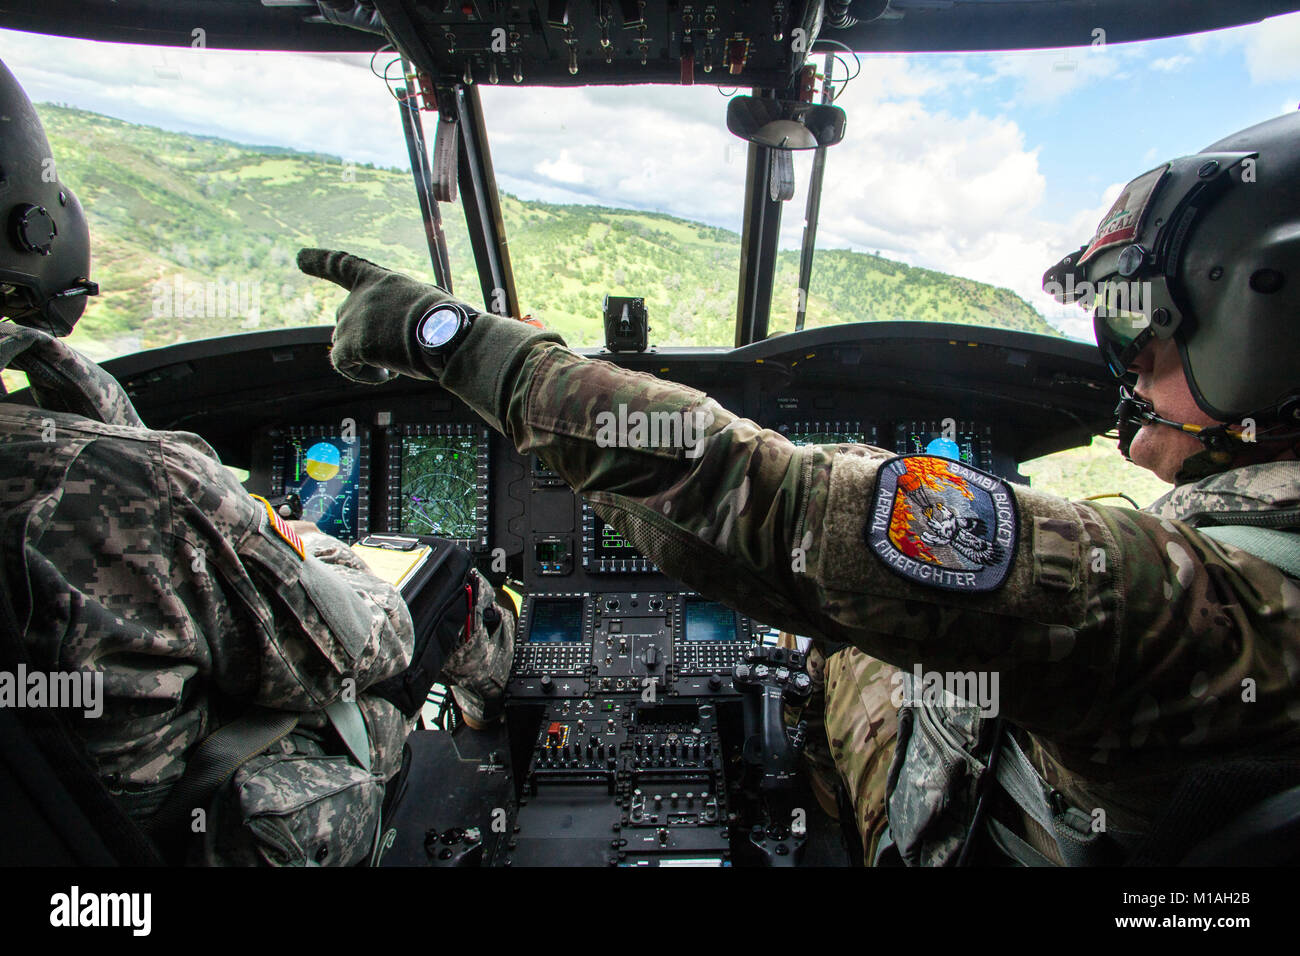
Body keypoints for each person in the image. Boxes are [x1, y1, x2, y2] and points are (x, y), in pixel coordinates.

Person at [300, 108, 1300, 866]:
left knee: (833, 640)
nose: (1123, 368)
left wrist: (464, 347)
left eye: (1137, 330)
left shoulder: (1162, 594)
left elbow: (777, 500)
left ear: (1266, 333)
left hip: (984, 829)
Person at [0, 59, 511, 866]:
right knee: (446, 584)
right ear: (32, 222)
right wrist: (332, 553)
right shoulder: (126, 483)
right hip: (192, 832)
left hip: (71, 837)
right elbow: (350, 651)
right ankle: (489, 712)